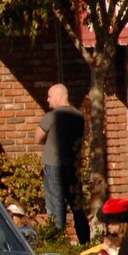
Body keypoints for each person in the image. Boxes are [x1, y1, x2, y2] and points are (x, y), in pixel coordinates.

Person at [35, 83, 90, 245]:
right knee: (78, 208)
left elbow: (37, 138)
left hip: (54, 167)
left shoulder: (52, 116)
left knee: (55, 209)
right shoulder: (79, 117)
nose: (47, 100)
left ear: (59, 96)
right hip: (73, 167)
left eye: (50, 96)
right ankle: (85, 243)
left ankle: (58, 246)